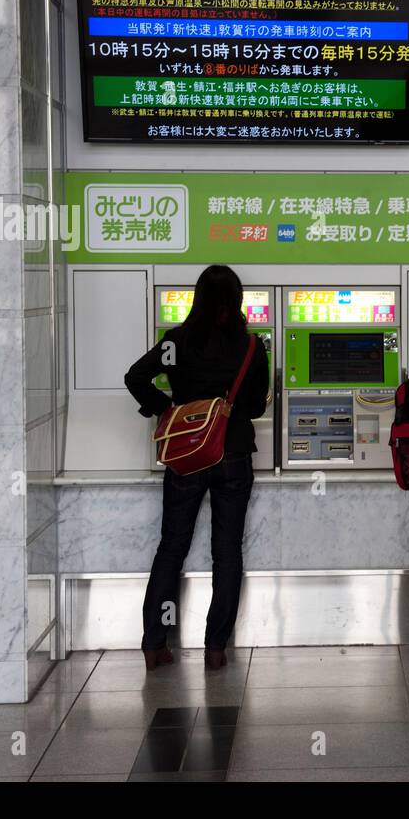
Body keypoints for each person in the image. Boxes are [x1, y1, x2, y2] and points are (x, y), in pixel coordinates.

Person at [124, 265, 270, 672]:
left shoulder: (176, 343)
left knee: (172, 547)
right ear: (237, 301)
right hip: (233, 454)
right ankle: (215, 648)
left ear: (198, 299)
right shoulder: (250, 347)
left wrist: (168, 409)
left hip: (187, 456)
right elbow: (257, 406)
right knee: (226, 553)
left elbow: (135, 377)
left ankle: (155, 644)